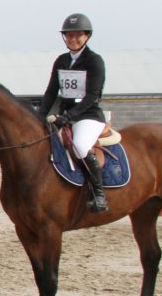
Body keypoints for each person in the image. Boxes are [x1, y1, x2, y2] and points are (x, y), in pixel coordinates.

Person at [37, 13, 109, 213]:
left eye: (78, 35)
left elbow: (92, 96)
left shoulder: (94, 61)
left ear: (87, 37)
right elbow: (51, 92)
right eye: (69, 35)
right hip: (64, 116)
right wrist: (39, 115)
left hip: (88, 116)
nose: (73, 39)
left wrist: (68, 117)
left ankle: (99, 193)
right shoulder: (61, 60)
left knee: (79, 145)